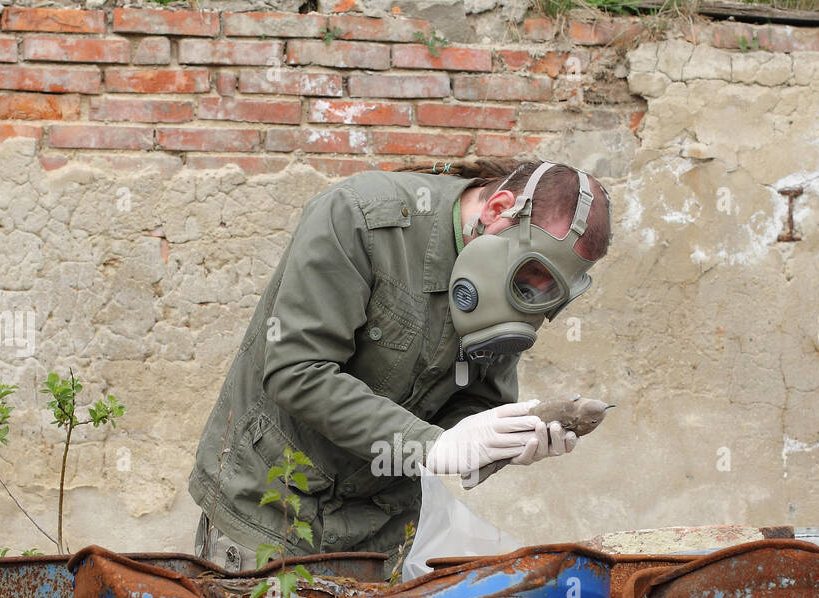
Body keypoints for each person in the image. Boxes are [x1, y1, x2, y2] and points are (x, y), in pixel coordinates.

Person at [187, 158, 613, 571]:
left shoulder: (520, 287)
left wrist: (503, 441)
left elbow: (472, 407)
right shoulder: (361, 217)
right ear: (499, 210)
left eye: (546, 294)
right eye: (526, 278)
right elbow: (298, 371)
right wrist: (433, 446)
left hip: (381, 536)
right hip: (266, 513)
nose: (529, 299)